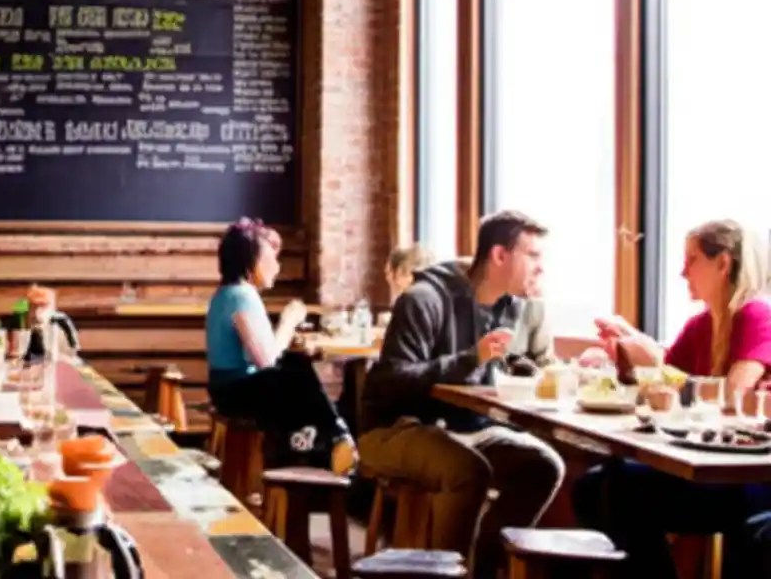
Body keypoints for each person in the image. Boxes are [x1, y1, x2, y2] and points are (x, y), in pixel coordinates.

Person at [358, 210, 564, 579]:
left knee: (544, 466)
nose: (541, 268)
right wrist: (471, 359)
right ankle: (446, 575)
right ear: (500, 256)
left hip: (467, 427)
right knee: (467, 470)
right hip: (394, 428)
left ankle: (479, 568)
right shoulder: (424, 298)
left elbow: (525, 365)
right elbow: (392, 381)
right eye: (533, 256)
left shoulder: (514, 307)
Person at [574, 219, 771, 579]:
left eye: (692, 260)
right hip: (706, 467)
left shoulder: (756, 314)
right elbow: (663, 386)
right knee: (595, 487)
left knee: (616, 491)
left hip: (745, 477)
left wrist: (655, 361)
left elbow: (734, 394)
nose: (682, 272)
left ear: (723, 263)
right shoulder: (700, 326)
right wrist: (625, 354)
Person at [205, 217, 355, 473]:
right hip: (234, 392)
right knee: (295, 371)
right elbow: (266, 360)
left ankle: (320, 443)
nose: (276, 266)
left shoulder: (226, 293)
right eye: (270, 259)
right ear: (251, 261)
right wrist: (288, 321)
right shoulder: (241, 296)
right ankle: (333, 441)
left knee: (296, 371)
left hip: (227, 389)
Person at [23, 284, 80, 362]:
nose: (37, 310)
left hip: (61, 361)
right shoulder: (22, 322)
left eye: (42, 306)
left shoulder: (61, 321)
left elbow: (73, 348)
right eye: (33, 306)